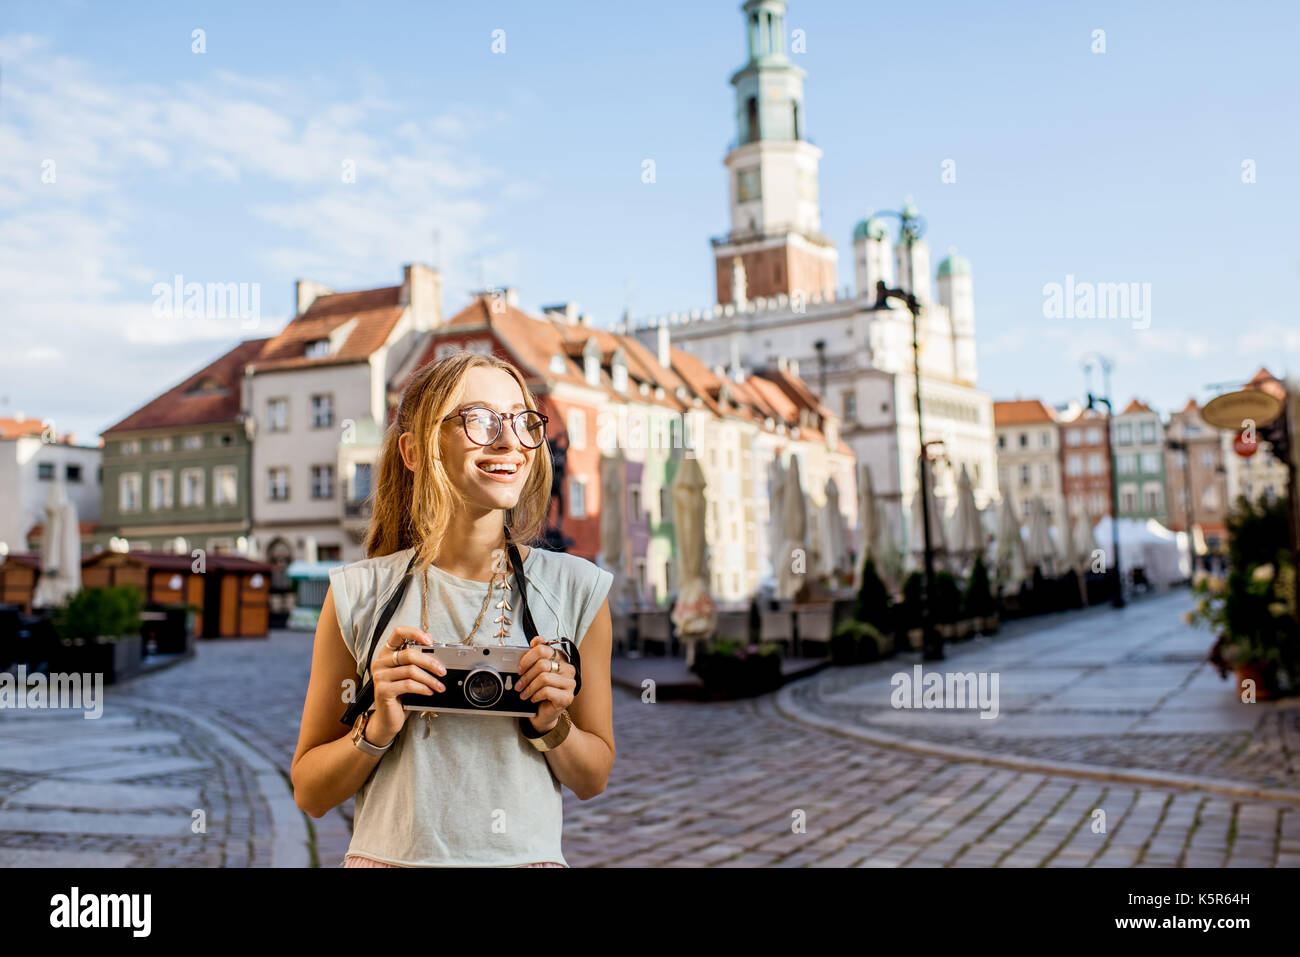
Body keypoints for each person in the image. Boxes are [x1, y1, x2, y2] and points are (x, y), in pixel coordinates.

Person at [290, 351, 615, 867]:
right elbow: (310, 792)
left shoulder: (576, 588)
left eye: (522, 421)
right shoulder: (357, 593)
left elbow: (592, 778)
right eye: (481, 420)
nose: (509, 441)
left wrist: (553, 723)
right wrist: (376, 727)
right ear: (415, 451)